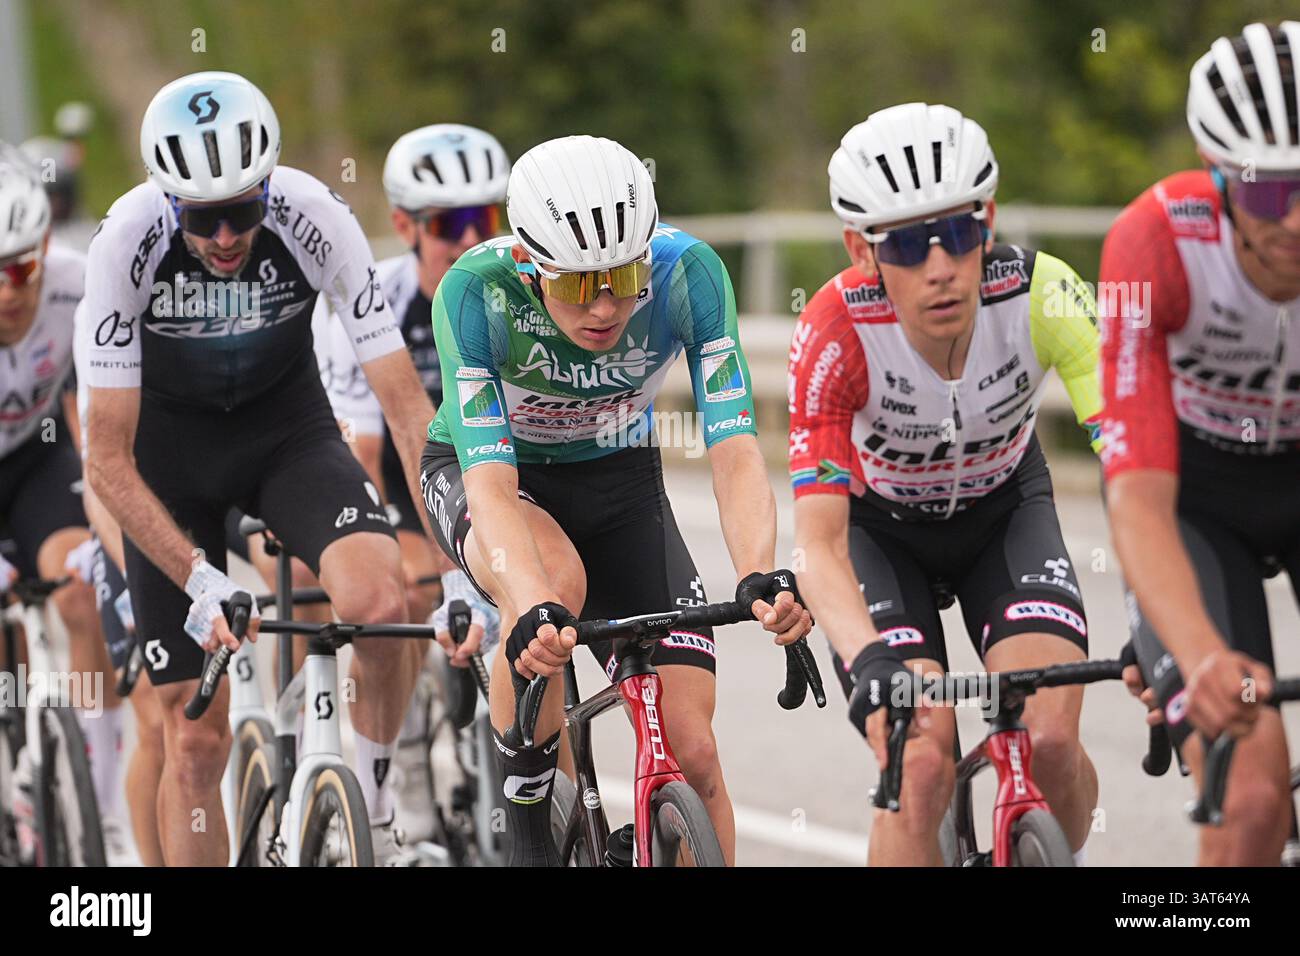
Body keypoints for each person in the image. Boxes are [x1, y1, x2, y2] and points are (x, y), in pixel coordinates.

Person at [420, 134, 811, 865]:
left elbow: (732, 448)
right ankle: (527, 824)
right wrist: (531, 602)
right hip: (495, 476)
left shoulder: (687, 273)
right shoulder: (476, 293)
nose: (605, 305)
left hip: (621, 478)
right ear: (533, 268)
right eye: (576, 284)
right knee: (551, 591)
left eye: (623, 275)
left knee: (693, 752)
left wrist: (758, 572)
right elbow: (493, 488)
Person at [80, 71, 437, 865]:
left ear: (270, 185)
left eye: (244, 209)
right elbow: (103, 458)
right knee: (194, 739)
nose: (226, 237)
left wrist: (475, 555)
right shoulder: (124, 244)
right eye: (202, 218)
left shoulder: (315, 217)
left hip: (289, 439)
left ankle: (373, 810)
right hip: (167, 467)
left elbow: (409, 409)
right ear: (165, 199)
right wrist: (196, 575)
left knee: (385, 600)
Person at [789, 103, 1104, 865]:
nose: (939, 267)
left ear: (988, 223)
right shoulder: (836, 332)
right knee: (921, 757)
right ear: (861, 251)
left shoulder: (1044, 294)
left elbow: (1140, 473)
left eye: (958, 233)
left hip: (1005, 512)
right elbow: (819, 547)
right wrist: (866, 659)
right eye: (904, 243)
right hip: (880, 534)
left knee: (1051, 737)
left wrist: (1167, 620)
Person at [1103, 20, 1300, 866]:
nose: (1293, 220)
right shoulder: (1157, 244)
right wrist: (1199, 653)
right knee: (1252, 800)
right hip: (1194, 502)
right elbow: (1137, 499)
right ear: (1220, 178)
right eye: (1266, 192)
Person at [313, 123, 509, 848]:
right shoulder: (373, 307)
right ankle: (409, 765)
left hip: (491, 466)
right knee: (415, 591)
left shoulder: (514, 293)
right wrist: (428, 557)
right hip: (399, 472)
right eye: (449, 225)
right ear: (403, 225)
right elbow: (363, 457)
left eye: (484, 220)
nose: (469, 240)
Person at [0, 144, 131, 862]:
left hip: (34, 456)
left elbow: (94, 427)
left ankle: (97, 809)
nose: (8, 292)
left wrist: (101, 526)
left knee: (81, 590)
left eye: (22, 266)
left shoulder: (78, 287)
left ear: (46, 245)